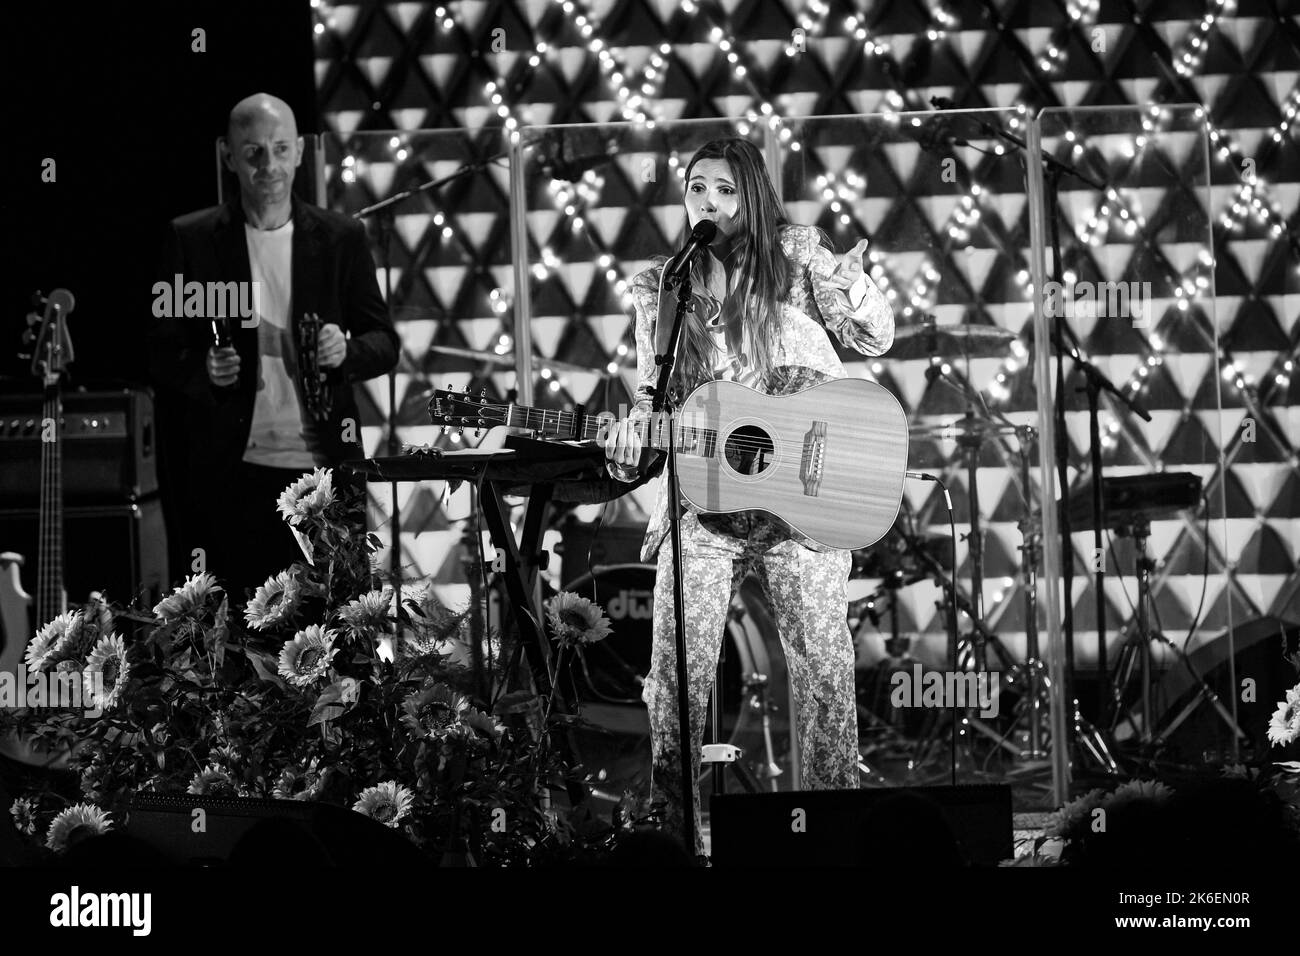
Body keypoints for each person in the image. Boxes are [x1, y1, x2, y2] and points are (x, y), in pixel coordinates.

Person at [603, 137, 895, 855]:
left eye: (725, 190)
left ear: (753, 196)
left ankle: (839, 839)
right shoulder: (661, 287)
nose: (708, 202)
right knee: (676, 674)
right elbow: (654, 394)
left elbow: (875, 337)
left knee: (824, 673)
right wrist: (631, 435)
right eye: (697, 188)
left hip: (803, 489)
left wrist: (851, 283)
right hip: (706, 499)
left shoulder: (794, 257)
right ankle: (672, 838)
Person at [148, 93, 398, 599]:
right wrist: (204, 370)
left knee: (342, 629)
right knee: (239, 636)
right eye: (255, 151)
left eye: (281, 149)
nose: (269, 165)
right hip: (233, 472)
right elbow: (157, 351)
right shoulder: (191, 239)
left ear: (301, 151)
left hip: (326, 466)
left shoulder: (340, 237)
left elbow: (385, 343)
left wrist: (344, 351)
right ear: (228, 154)